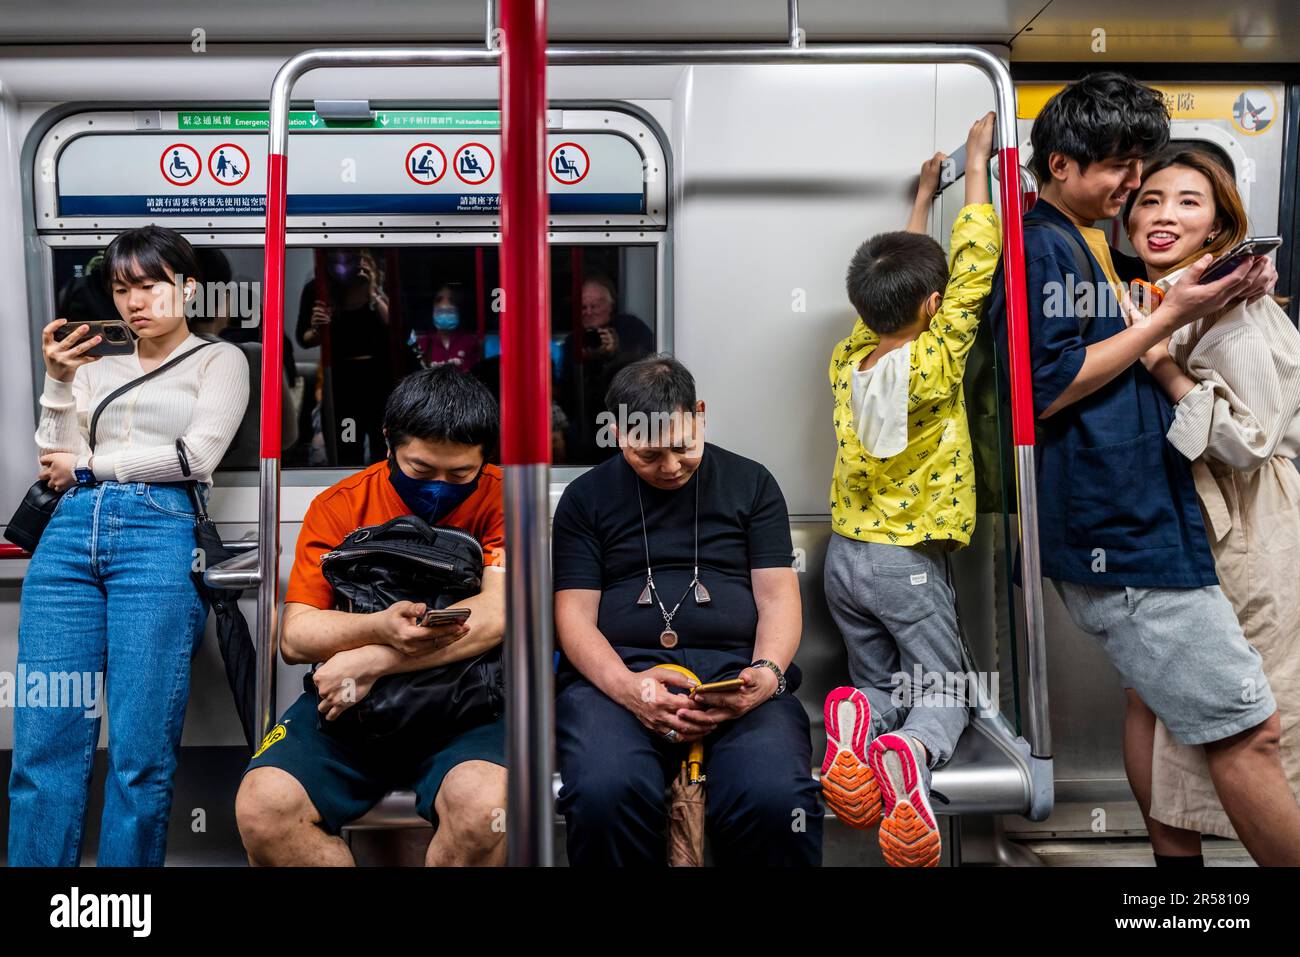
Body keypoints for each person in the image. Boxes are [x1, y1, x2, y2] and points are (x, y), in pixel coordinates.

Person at [987, 71, 1300, 866]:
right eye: (1125, 171)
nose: (1137, 190)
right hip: (1125, 537)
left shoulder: (1082, 242)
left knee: (1184, 719)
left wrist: (1205, 293)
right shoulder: (1043, 246)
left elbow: (1120, 325)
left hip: (1143, 530)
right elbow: (1048, 384)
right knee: (1251, 731)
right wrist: (1170, 320)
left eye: (1155, 178)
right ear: (1059, 163)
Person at [9, 225, 250, 866]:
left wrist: (94, 469)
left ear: (188, 288)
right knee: (42, 745)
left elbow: (194, 458)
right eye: (121, 288)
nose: (135, 301)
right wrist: (58, 382)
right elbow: (54, 455)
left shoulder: (219, 360)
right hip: (66, 540)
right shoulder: (98, 368)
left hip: (157, 535)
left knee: (140, 755)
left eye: (150, 285)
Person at [552, 354, 821, 866]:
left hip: (737, 678)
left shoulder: (752, 484)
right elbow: (574, 618)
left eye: (682, 446)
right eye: (649, 455)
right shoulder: (585, 499)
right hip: (619, 680)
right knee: (606, 795)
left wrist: (765, 673)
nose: (670, 467)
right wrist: (629, 691)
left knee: (776, 800)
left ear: (699, 414)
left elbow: (778, 597)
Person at [234, 367, 508, 866]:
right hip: (351, 707)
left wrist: (374, 661)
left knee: (484, 810)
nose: (439, 488)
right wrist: (378, 628)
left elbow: (494, 616)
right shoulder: (340, 506)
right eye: (422, 471)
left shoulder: (502, 497)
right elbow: (296, 637)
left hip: (470, 704)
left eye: (460, 474)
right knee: (264, 808)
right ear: (388, 442)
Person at [820, 113, 999, 868]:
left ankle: (859, 721)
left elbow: (903, 281)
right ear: (932, 308)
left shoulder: (849, 353)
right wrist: (979, 165)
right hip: (907, 567)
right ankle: (909, 758)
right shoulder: (936, 362)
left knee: (880, 677)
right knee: (946, 690)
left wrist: (924, 198)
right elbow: (977, 260)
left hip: (844, 560)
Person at [1120, 147, 1300, 851]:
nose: (1163, 215)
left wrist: (1161, 362)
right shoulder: (1166, 294)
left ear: (1221, 220)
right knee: (1159, 705)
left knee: (1252, 722)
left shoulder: (1240, 312)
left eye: (1187, 201)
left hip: (1253, 529)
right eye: (1150, 199)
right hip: (1189, 530)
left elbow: (1246, 443)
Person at [295, 248, 393, 466]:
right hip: (341, 381)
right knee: (347, 448)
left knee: (382, 449)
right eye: (335, 259)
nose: (342, 264)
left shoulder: (381, 285)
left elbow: (397, 329)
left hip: (379, 378)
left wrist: (372, 293)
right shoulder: (317, 289)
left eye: (349, 257)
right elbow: (304, 338)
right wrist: (318, 328)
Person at [556, 275, 654, 463]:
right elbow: (567, 394)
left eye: (596, 306)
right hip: (587, 427)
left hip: (629, 421)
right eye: (583, 307)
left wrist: (617, 353)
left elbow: (650, 367)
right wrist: (584, 363)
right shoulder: (573, 342)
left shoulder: (630, 328)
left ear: (611, 306)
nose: (589, 312)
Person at [414, 284, 479, 370]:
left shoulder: (470, 342)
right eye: (439, 299)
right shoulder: (423, 344)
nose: (445, 302)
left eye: (449, 311)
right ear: (433, 311)